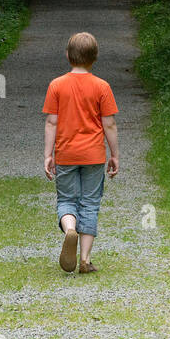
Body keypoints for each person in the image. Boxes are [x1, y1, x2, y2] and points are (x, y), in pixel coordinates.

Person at [42, 31, 119, 273]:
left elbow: (51, 123)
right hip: (94, 156)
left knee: (66, 200)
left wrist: (48, 154)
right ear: (94, 58)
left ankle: (70, 229)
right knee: (90, 204)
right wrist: (114, 154)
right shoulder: (102, 87)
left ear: (67, 56)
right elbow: (109, 124)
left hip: (66, 154)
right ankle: (84, 260)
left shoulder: (56, 85)